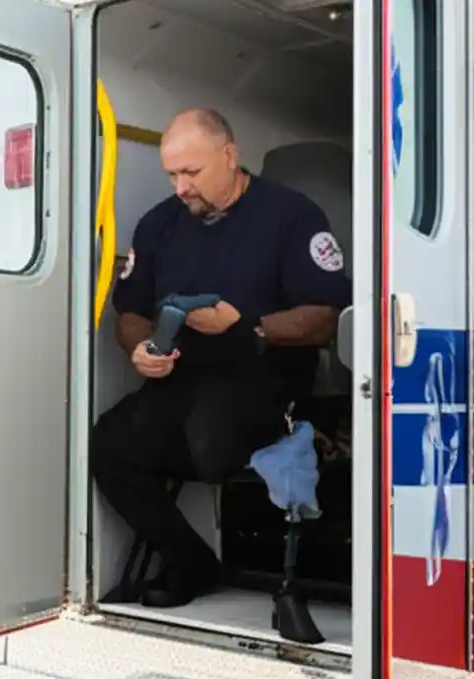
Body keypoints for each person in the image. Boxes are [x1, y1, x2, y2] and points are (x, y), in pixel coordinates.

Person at [91, 108, 351, 609]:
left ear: (229, 156)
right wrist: (140, 348)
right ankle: (191, 562)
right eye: (172, 174)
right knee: (109, 445)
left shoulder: (291, 216)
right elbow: (130, 313)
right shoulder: (159, 224)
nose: (181, 187)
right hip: (182, 378)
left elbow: (324, 317)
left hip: (265, 378)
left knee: (209, 435)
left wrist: (248, 325)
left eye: (191, 172)